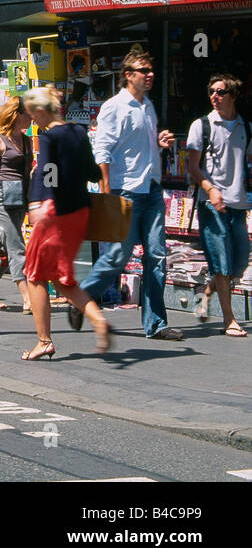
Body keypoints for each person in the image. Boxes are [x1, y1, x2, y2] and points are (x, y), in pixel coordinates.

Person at [74, 51, 182, 340]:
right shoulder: (114, 107)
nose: (150, 74)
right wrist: (108, 192)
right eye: (143, 70)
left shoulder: (147, 106)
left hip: (152, 188)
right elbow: (103, 150)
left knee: (157, 256)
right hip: (127, 192)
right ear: (128, 74)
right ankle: (82, 298)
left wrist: (158, 142)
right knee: (118, 257)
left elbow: (137, 146)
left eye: (151, 70)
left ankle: (156, 324)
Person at [20, 87, 112, 359]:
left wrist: (38, 202)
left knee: (35, 274)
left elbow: (47, 170)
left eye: (30, 113)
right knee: (61, 278)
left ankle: (44, 340)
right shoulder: (78, 132)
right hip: (79, 211)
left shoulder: (48, 136)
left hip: (54, 212)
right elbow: (92, 170)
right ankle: (98, 319)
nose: (31, 119)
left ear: (39, 111)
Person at [186, 73, 250, 337]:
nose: (214, 96)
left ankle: (207, 291)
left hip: (238, 202)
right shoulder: (202, 125)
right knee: (222, 263)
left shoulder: (245, 126)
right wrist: (210, 189)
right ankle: (229, 319)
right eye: (212, 91)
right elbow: (192, 167)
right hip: (211, 203)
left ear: (233, 96)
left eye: (221, 92)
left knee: (240, 262)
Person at [0, 95, 33, 312]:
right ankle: (28, 298)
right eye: (28, 113)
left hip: (21, 197)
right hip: (2, 198)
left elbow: (28, 172)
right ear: (16, 115)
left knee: (5, 243)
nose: (31, 118)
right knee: (17, 246)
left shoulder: (27, 140)